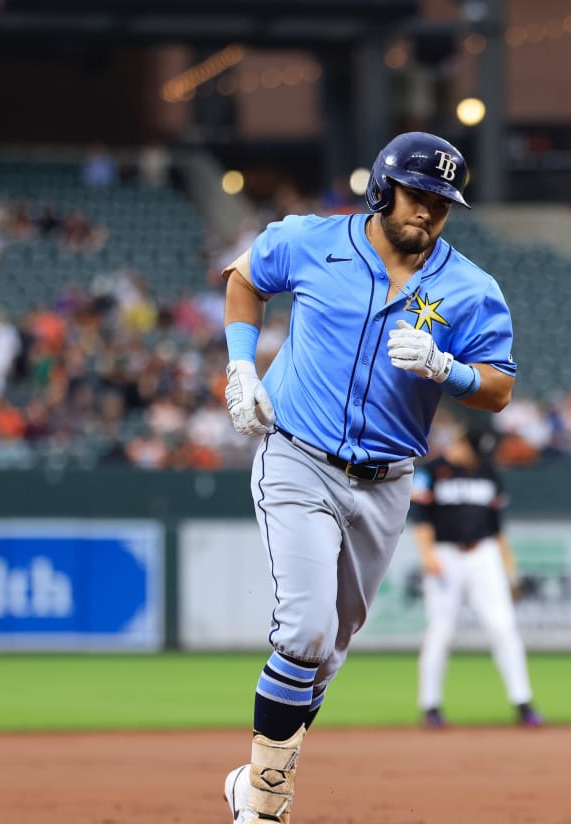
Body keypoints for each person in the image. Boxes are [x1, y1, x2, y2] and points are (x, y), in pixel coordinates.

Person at [219, 132, 516, 823]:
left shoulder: (471, 288)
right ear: (383, 188)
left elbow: (499, 388)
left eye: (443, 203)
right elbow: (244, 279)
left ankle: (253, 780)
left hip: (386, 480)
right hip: (297, 455)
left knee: (329, 653)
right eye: (419, 196)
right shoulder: (312, 241)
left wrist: (452, 370)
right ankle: (265, 800)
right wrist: (240, 366)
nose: (430, 212)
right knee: (304, 633)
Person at [411, 424, 542, 729]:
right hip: (445, 554)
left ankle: (523, 702)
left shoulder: (489, 474)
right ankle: (430, 706)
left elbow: (497, 527)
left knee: (503, 625)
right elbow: (420, 517)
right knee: (441, 631)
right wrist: (427, 554)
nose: (478, 457)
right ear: (461, 445)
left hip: (484, 555)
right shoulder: (432, 472)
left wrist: (510, 568)